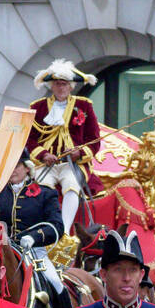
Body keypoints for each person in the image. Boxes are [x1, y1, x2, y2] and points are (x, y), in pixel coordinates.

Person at [26, 59, 102, 236]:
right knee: (43, 188)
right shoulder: (37, 107)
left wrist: (79, 153)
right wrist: (44, 155)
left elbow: (94, 140)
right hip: (45, 164)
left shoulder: (84, 105)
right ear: (52, 86)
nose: (61, 88)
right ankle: (48, 227)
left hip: (73, 163)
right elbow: (30, 140)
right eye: (58, 84)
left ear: (71, 86)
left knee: (71, 184)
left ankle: (65, 230)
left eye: (65, 84)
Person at [0, 152, 68, 308]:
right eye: (8, 167)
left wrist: (34, 237)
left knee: (56, 283)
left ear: (27, 168)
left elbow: (57, 226)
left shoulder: (45, 193)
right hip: (0, 250)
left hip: (34, 253)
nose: (12, 170)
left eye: (16, 166)